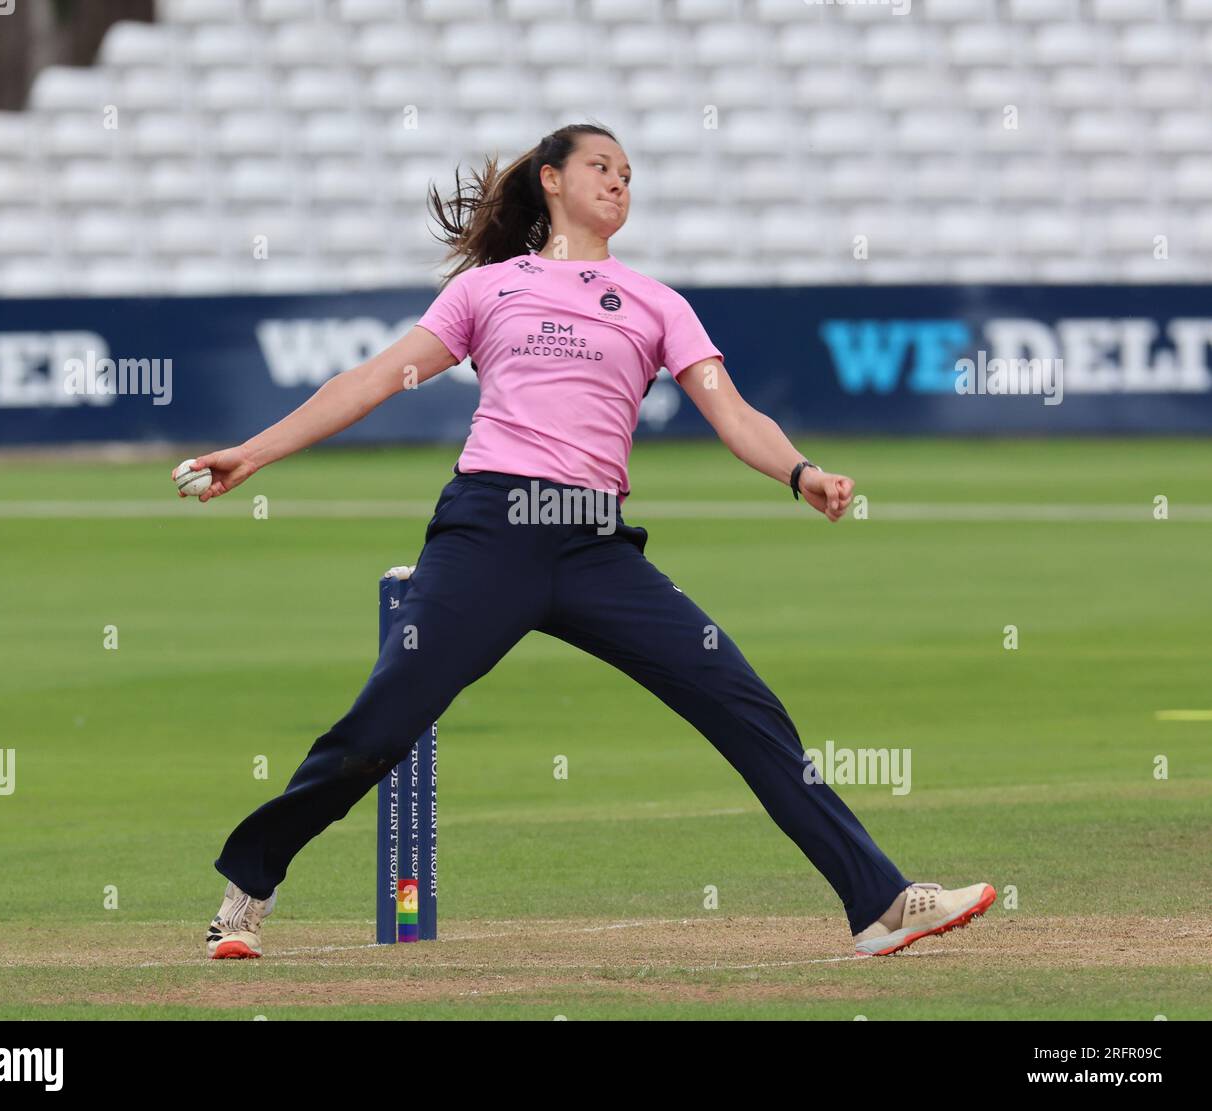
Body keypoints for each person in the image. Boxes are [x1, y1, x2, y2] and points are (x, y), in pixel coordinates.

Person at [193, 124, 993, 961]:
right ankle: (249, 886)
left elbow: (733, 412)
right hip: (489, 532)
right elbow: (368, 380)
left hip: (595, 546)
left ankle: (882, 903)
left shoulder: (657, 303)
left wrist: (801, 473)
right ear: (550, 180)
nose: (619, 183)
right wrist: (253, 451)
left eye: (629, 174)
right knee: (378, 727)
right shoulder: (487, 291)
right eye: (600, 168)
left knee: (742, 702)